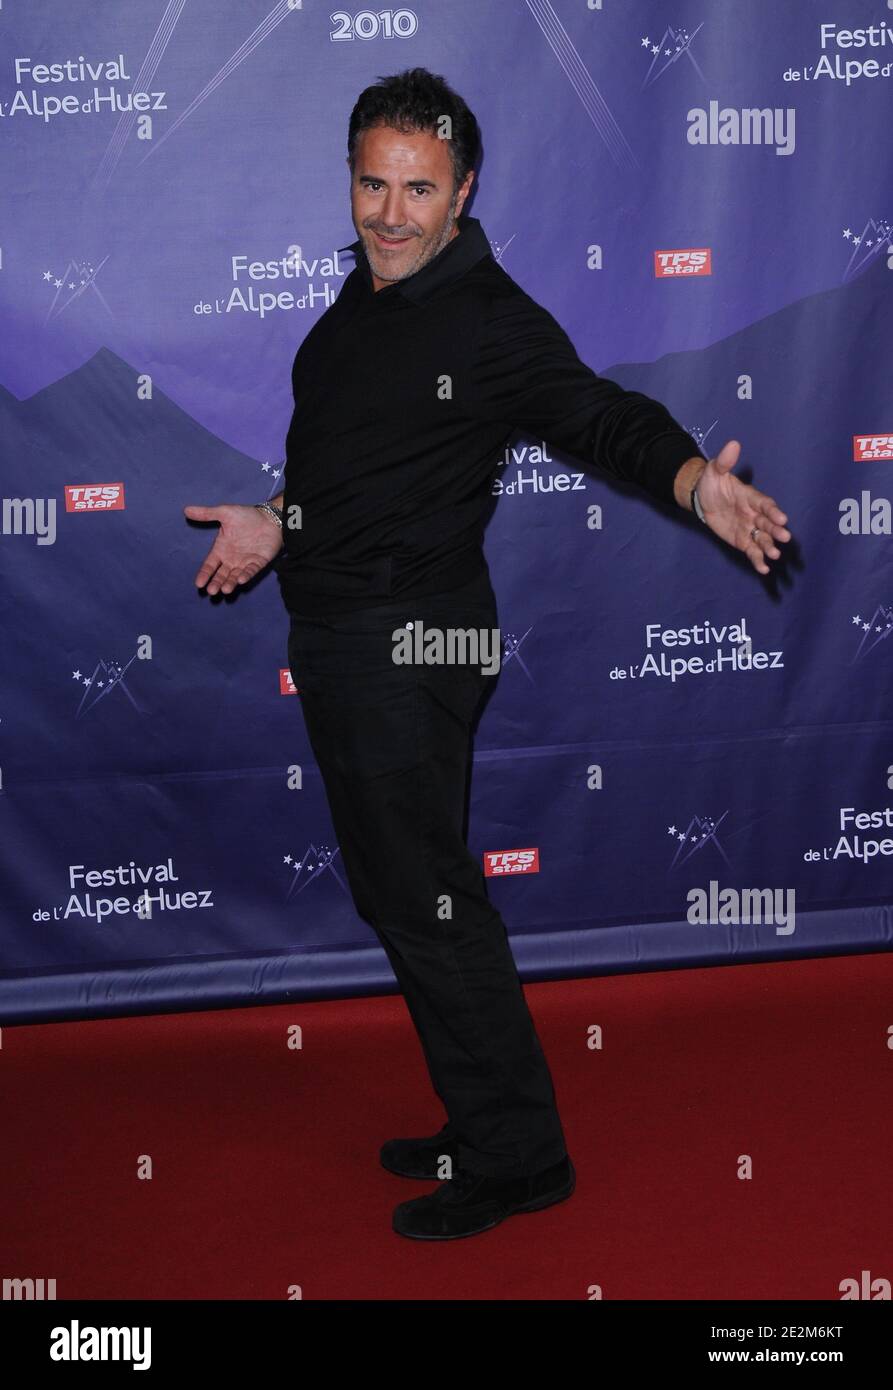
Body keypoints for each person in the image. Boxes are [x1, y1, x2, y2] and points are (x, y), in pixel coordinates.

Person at [184, 68, 791, 1242]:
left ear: (463, 193)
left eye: (419, 188)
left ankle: (519, 1156)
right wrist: (276, 519)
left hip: (406, 643)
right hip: (365, 635)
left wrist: (688, 480)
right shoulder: (368, 300)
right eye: (373, 183)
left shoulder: (488, 320)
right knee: (410, 894)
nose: (391, 212)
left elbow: (594, 413)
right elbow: (354, 475)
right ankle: (479, 1118)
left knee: (429, 901)